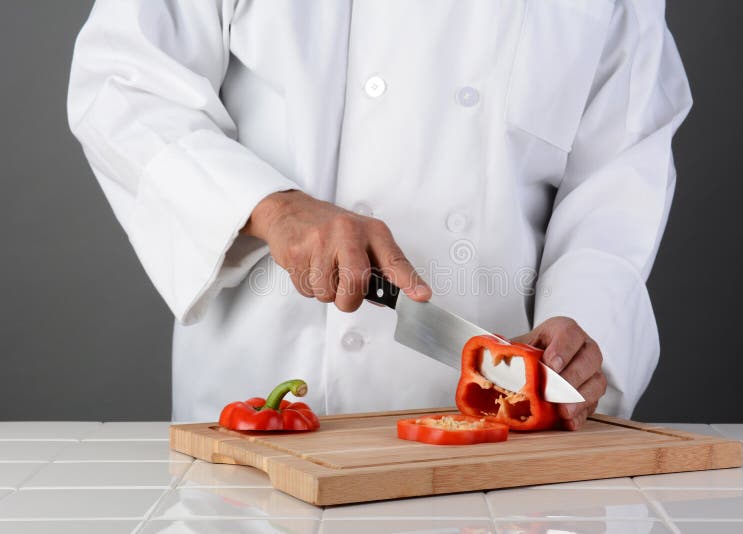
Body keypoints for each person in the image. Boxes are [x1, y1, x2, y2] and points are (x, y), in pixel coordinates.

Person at [67, 1, 691, 427]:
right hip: (271, 409)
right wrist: (270, 208)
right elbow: (121, 83)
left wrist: (581, 326)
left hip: (498, 422)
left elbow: (620, 167)